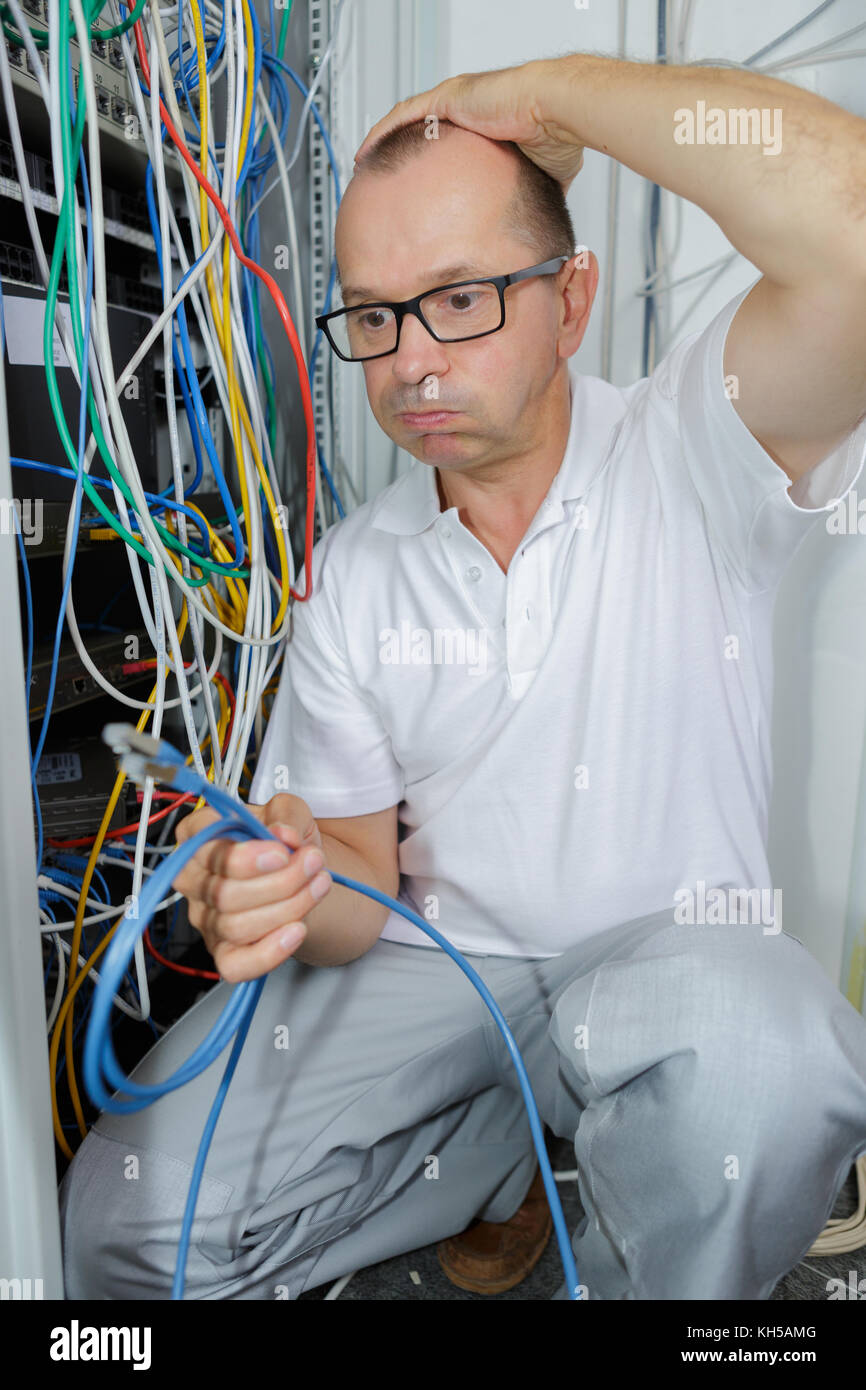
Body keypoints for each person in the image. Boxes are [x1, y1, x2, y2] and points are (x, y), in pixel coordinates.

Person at [60, 51, 866, 1301]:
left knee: (770, 1068)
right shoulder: (356, 572)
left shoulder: (698, 448)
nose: (412, 363)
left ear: (572, 300)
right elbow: (356, 899)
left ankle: (602, 1216)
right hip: (433, 969)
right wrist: (280, 886)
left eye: (461, 299)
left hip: (663, 966)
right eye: (374, 315)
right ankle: (516, 1154)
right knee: (123, 1222)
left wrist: (544, 97)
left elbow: (850, 226)